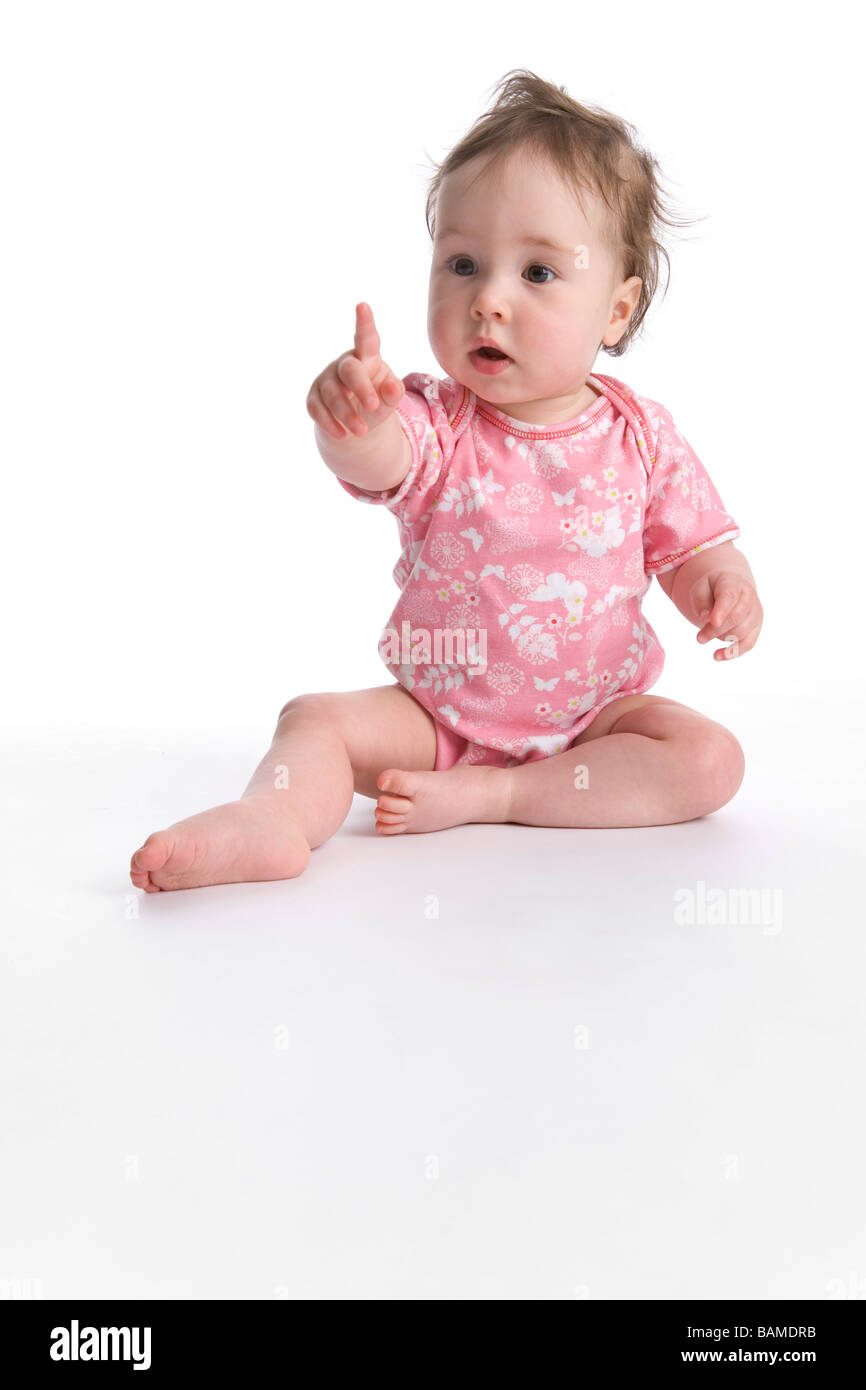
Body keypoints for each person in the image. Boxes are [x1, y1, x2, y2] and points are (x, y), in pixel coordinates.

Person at [130, 69, 762, 893]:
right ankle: (273, 820)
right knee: (315, 721)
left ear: (617, 310)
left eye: (538, 274)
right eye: (463, 264)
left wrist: (725, 586)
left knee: (711, 761)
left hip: (594, 724)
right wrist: (353, 422)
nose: (488, 300)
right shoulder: (441, 421)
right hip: (435, 719)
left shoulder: (642, 436)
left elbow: (693, 550)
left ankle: (499, 795)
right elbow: (385, 462)